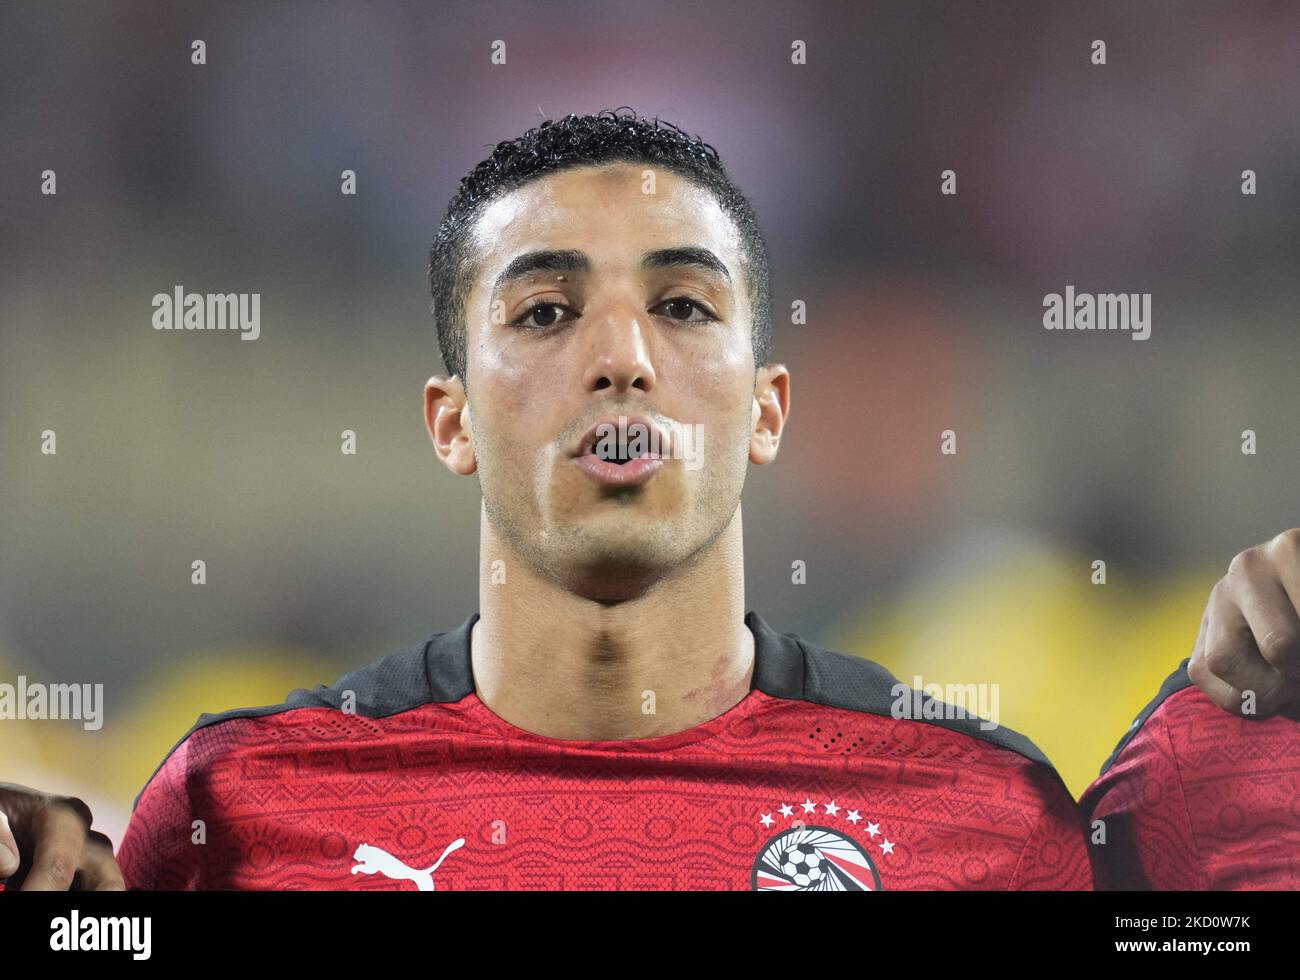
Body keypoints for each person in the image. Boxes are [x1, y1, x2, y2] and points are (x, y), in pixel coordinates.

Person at [2, 110, 1296, 891]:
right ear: (449, 420)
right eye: (547, 311)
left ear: (771, 407)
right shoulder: (234, 804)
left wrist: (1240, 759)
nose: (620, 355)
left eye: (682, 306)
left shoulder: (985, 816)